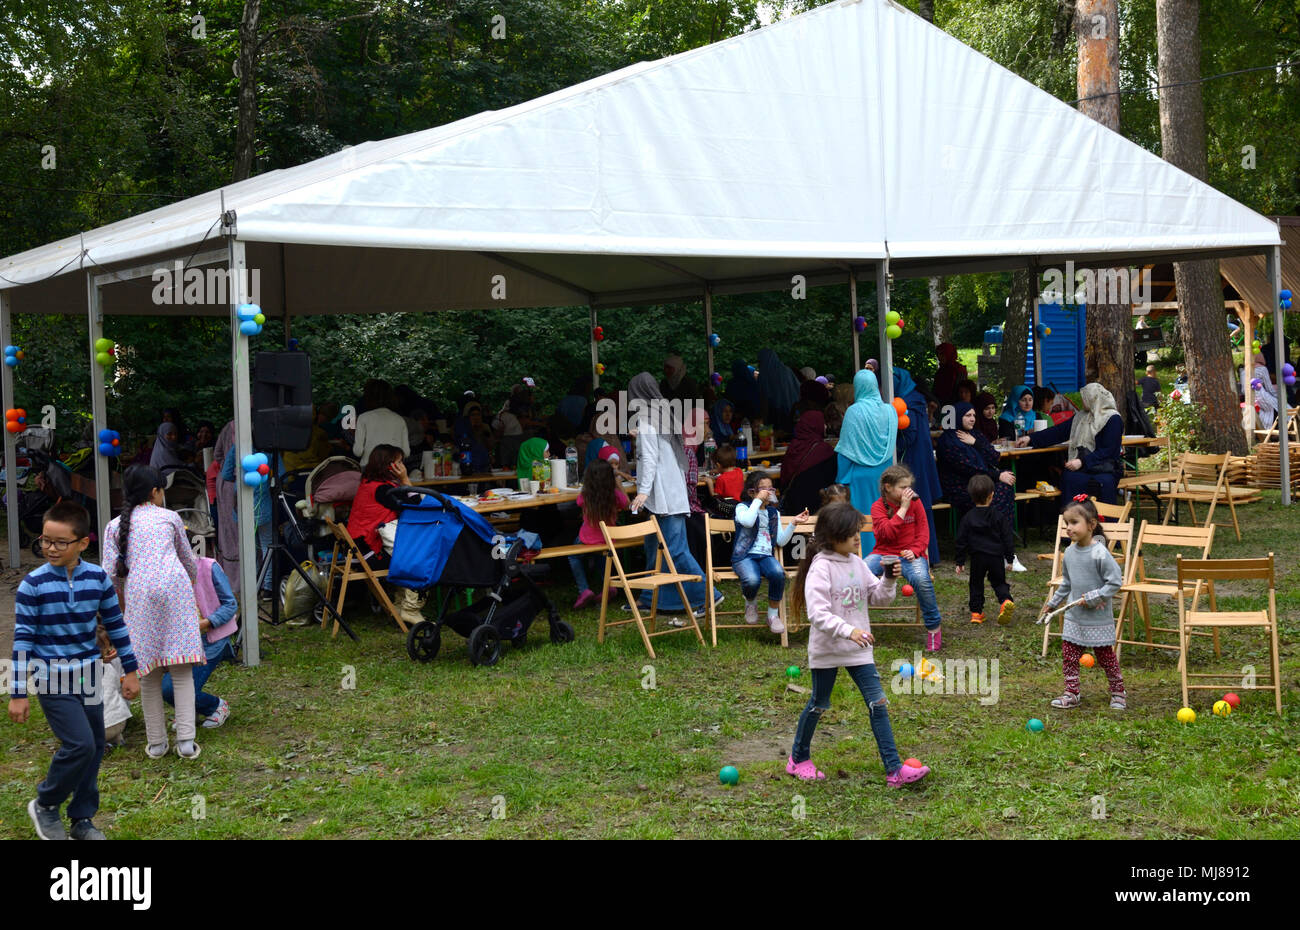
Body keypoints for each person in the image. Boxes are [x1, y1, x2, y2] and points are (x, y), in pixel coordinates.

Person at [10, 501, 140, 840]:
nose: (50, 548)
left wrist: (130, 671)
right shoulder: (33, 586)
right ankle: (46, 803)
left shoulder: (97, 579)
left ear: (83, 543)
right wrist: (18, 692)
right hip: (50, 675)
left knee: (96, 745)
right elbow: (23, 639)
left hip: (88, 674)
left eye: (60, 541)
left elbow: (116, 625)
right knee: (80, 744)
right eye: (45, 540)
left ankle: (82, 819)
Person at [785, 501, 929, 786]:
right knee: (819, 703)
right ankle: (798, 758)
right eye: (851, 532)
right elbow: (818, 614)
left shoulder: (855, 563)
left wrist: (887, 580)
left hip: (858, 649)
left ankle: (894, 771)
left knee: (878, 703)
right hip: (829, 649)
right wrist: (849, 630)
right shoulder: (821, 568)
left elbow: (878, 598)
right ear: (833, 536)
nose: (856, 537)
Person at [101, 466, 205, 761]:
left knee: (147, 676)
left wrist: (119, 607)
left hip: (138, 598)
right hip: (176, 593)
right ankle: (186, 741)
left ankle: (157, 744)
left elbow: (110, 575)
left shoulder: (113, 527)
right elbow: (188, 560)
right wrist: (194, 589)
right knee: (182, 672)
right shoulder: (170, 518)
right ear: (155, 492)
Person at [626, 372, 716, 617]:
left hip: (665, 497)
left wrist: (642, 492)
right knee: (653, 545)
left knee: (675, 550)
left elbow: (650, 458)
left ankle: (709, 596)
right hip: (670, 493)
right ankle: (650, 597)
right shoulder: (664, 416)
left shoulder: (648, 421)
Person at [1038, 497, 1126, 710]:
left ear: (1091, 525)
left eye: (1074, 522)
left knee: (1106, 658)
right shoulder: (1069, 552)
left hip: (1097, 619)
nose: (1069, 528)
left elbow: (1115, 582)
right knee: (1069, 656)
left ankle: (1118, 692)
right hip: (1074, 617)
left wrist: (1094, 597)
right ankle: (1072, 693)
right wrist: (1053, 603)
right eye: (1067, 523)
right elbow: (1067, 583)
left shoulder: (1100, 553)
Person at [346, 444, 426, 626]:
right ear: (389, 466)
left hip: (358, 550)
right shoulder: (383, 490)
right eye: (399, 462)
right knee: (418, 558)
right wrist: (405, 478)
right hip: (370, 555)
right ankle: (410, 608)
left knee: (404, 550)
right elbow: (416, 505)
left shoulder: (369, 483)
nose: (402, 466)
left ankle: (399, 603)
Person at [868, 464, 943, 651]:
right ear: (888, 487)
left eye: (909, 487)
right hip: (883, 552)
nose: (908, 492)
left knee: (921, 579)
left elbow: (924, 532)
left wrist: (916, 550)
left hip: (910, 553)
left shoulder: (916, 503)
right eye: (903, 487)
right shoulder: (878, 507)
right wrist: (902, 509)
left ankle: (934, 627)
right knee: (859, 572)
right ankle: (852, 623)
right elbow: (886, 534)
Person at [161, 556, 237, 729]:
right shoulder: (162, 572)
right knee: (168, 690)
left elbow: (230, 604)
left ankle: (216, 706)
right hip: (179, 643)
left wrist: (207, 622)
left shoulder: (209, 567)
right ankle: (189, 709)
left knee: (179, 689)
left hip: (209, 642)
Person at [1018, 383, 1124, 505]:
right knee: (1068, 477)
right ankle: (1071, 519)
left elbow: (1108, 450)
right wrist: (1030, 438)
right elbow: (1059, 432)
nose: (1082, 401)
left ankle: (1104, 521)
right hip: (1085, 466)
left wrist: (1082, 462)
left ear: (1093, 398)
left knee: (1101, 482)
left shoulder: (1112, 418)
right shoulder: (1081, 416)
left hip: (1105, 468)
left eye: (1084, 398)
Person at [732, 471, 808, 633]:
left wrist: (794, 523)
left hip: (766, 555)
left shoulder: (773, 513)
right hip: (745, 555)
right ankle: (750, 602)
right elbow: (747, 522)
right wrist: (757, 501)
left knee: (778, 573)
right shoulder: (742, 508)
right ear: (751, 492)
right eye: (763, 489)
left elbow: (780, 541)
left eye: (770, 489)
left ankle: (772, 615)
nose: (768, 492)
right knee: (752, 579)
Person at [835, 369, 897, 553]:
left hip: (859, 477)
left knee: (861, 521)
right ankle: (885, 555)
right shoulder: (890, 410)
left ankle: (864, 559)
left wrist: (842, 478)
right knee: (883, 517)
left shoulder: (854, 411)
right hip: (884, 475)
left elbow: (846, 448)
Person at [892, 367, 942, 564]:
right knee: (922, 508)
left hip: (912, 461)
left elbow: (909, 435)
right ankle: (929, 554)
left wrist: (893, 446)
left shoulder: (908, 402)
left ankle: (922, 554)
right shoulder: (916, 398)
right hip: (922, 458)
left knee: (914, 507)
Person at [953, 474, 1015, 625]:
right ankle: (1005, 600)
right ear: (992, 495)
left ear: (971, 496)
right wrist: (1010, 558)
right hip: (995, 556)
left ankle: (976, 612)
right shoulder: (998, 516)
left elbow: (961, 540)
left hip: (977, 557)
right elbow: (1007, 538)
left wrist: (960, 561)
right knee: (999, 582)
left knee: (976, 584)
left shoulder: (968, 517)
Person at [569, 460, 629, 610]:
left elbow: (578, 502)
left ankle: (584, 590)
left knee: (573, 556)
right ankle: (607, 586)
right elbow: (627, 503)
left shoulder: (586, 495)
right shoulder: (614, 494)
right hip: (608, 538)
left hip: (587, 538)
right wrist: (618, 483)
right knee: (602, 556)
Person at [221, 443, 273, 596]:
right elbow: (280, 473)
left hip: (243, 505)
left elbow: (226, 474)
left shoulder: (237, 448)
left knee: (249, 548)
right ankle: (268, 587)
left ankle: (252, 586)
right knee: (267, 547)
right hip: (263, 504)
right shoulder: (269, 449)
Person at [778, 410, 836, 515]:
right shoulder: (824, 451)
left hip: (792, 508)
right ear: (816, 426)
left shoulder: (792, 448)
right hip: (818, 509)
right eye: (823, 423)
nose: (826, 427)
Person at [353, 379, 410, 468]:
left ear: (368, 397)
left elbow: (358, 451)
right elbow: (406, 452)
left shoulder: (363, 418)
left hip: (368, 467)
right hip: (393, 468)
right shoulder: (399, 419)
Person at [212, 420, 239, 582]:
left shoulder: (228, 427)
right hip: (233, 485)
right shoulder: (258, 425)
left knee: (230, 530)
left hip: (228, 483)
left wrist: (227, 465)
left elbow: (217, 454)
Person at [757, 348, 800, 432]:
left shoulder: (764, 374)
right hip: (792, 412)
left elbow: (762, 397)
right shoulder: (787, 371)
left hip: (773, 415)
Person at [1246, 352, 1279, 430]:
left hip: (1249, 398)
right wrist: (1277, 394)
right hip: (1262, 397)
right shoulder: (1262, 369)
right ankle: (1272, 432)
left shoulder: (1244, 370)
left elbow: (1243, 390)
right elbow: (1269, 388)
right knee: (1278, 405)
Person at [934, 342, 967, 406]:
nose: (939, 357)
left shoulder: (959, 370)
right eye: (938, 354)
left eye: (942, 354)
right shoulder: (941, 371)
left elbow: (961, 391)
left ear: (948, 354)